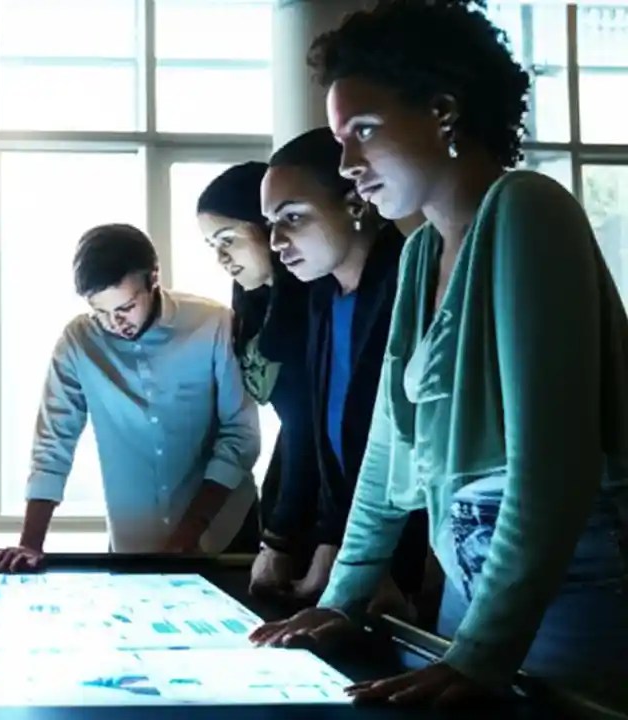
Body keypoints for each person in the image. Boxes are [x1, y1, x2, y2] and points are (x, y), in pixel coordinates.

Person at [250, 0, 628, 708]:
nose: (348, 164)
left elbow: (554, 467)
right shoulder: (421, 250)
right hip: (474, 610)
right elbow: (387, 458)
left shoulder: (526, 209)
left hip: (574, 604)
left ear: (444, 113)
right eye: (340, 138)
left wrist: (484, 653)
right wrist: (343, 599)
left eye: (362, 131)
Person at [0, 223, 261, 572]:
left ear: (153, 278)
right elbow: (53, 442)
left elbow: (241, 435)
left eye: (125, 308)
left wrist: (188, 534)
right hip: (133, 543)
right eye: (100, 311)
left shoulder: (213, 323)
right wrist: (30, 544)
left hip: (226, 531)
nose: (115, 323)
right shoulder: (79, 342)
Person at [259, 127, 428, 618]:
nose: (276, 240)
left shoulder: (410, 279)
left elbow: (420, 445)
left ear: (356, 204)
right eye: (271, 222)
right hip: (358, 558)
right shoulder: (321, 298)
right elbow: (322, 439)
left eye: (293, 217)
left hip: (418, 560)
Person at [195, 161, 318, 598]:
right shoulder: (257, 307)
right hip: (291, 488)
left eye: (228, 240)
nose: (221, 257)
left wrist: (282, 537)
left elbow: (313, 429)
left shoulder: (318, 303)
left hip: (326, 501)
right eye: (213, 245)